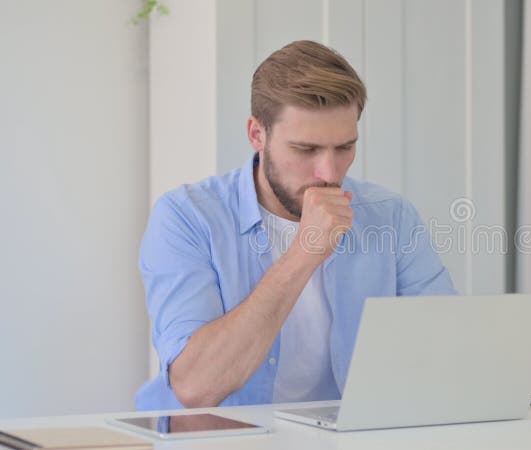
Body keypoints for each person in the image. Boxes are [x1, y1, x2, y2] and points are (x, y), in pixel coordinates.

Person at [136, 40, 455, 410]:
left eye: (345, 148)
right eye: (306, 150)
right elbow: (195, 387)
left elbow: (447, 352)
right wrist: (304, 253)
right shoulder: (186, 217)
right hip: (219, 440)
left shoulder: (390, 216)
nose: (329, 173)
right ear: (257, 134)